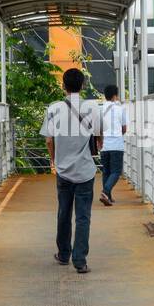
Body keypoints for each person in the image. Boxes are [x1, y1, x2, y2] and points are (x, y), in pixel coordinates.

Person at [40, 67, 100, 273]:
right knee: (83, 216)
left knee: (64, 213)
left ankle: (64, 254)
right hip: (85, 171)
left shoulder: (54, 108)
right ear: (82, 85)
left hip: (63, 171)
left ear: (63, 85)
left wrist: (54, 160)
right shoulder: (92, 108)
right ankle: (80, 260)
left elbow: (49, 140)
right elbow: (99, 139)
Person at [98, 84, 127, 206]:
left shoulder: (100, 109)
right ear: (115, 96)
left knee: (106, 171)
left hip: (104, 145)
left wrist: (100, 141)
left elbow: (98, 128)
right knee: (116, 171)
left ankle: (108, 197)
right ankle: (105, 192)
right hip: (116, 145)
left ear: (105, 95)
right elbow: (124, 128)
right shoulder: (120, 109)